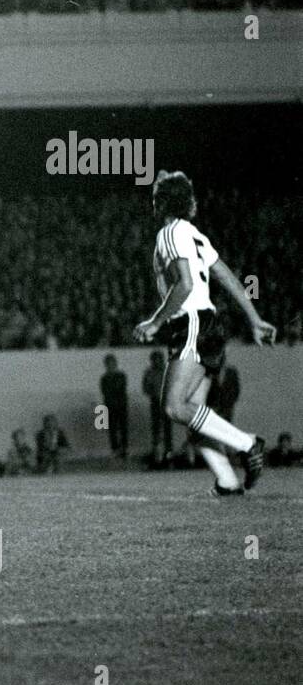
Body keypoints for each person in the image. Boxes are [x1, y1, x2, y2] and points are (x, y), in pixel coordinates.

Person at [132, 171, 275, 496]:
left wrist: (154, 322)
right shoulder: (195, 234)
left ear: (161, 202)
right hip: (209, 326)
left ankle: (248, 443)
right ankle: (227, 480)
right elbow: (227, 277)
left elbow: (184, 284)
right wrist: (255, 319)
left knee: (174, 407)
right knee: (194, 414)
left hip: (192, 325)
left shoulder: (168, 233)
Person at [141, 350, 172, 467]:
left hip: (166, 402)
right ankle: (157, 455)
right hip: (155, 402)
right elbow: (145, 388)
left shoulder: (167, 371)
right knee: (156, 429)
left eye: (159, 359)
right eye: (155, 359)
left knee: (167, 429)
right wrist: (152, 391)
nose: (157, 362)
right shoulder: (149, 373)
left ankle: (168, 453)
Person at [100, 354, 128, 458]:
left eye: (112, 363)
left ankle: (124, 448)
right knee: (112, 429)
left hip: (121, 405)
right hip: (110, 406)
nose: (110, 365)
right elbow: (105, 391)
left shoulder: (121, 376)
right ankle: (115, 449)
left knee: (123, 428)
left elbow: (120, 389)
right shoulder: (104, 378)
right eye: (108, 363)